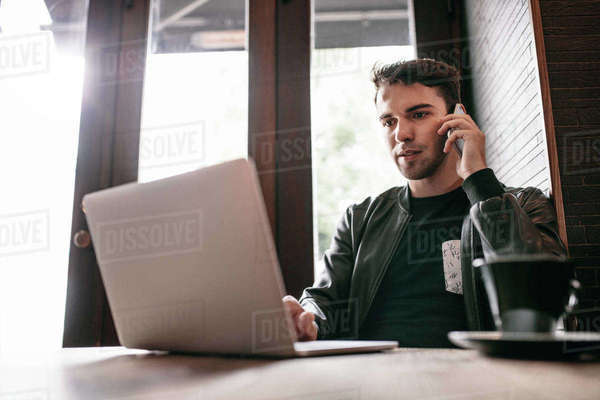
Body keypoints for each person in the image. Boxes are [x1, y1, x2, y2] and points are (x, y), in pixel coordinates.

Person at [282, 58, 567, 347]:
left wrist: (479, 179)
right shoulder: (360, 219)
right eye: (388, 121)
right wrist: (307, 321)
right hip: (371, 381)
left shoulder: (522, 204)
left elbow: (544, 296)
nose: (401, 134)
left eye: (418, 115)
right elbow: (324, 301)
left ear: (457, 118)